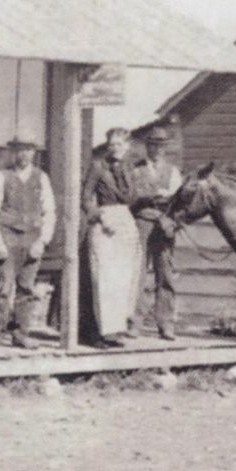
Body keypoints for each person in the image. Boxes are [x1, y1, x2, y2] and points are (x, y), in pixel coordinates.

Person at [0, 132, 57, 349]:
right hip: (7, 237)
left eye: (28, 150)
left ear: (34, 152)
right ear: (13, 152)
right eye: (19, 150)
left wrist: (42, 241)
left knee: (26, 288)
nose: (23, 154)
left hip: (32, 239)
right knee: (4, 287)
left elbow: (49, 212)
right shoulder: (2, 176)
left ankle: (20, 333)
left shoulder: (41, 178)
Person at [82, 127, 139, 348]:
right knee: (103, 278)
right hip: (104, 222)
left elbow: (132, 198)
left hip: (125, 221)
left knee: (122, 279)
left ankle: (113, 332)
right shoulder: (98, 166)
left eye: (119, 144)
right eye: (112, 144)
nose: (115, 148)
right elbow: (86, 198)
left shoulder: (129, 168)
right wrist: (99, 216)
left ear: (128, 146)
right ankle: (96, 333)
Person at [131, 125, 184, 341]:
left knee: (165, 274)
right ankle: (134, 322)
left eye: (161, 146)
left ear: (166, 148)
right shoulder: (135, 170)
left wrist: (171, 217)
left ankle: (166, 324)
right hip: (142, 222)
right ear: (147, 147)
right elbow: (130, 197)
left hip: (163, 224)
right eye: (153, 145)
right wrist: (149, 196)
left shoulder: (173, 172)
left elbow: (178, 200)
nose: (157, 150)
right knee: (138, 274)